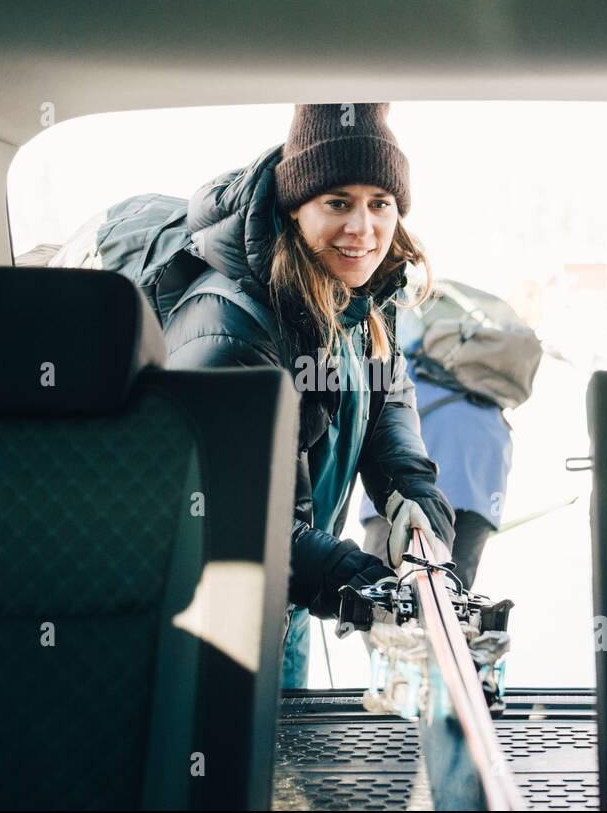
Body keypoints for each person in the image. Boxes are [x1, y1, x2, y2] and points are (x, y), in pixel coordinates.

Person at [162, 103, 456, 689]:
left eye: (381, 204)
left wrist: (410, 490)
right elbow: (236, 517)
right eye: (338, 202)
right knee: (235, 766)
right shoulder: (230, 329)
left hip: (290, 591)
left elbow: (385, 395)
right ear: (296, 207)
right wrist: (360, 580)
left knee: (285, 764)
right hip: (214, 613)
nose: (363, 229)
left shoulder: (364, 290)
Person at [357, 304, 511, 592]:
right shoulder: (482, 375)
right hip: (483, 474)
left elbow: (386, 423)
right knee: (454, 590)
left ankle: (390, 633)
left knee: (380, 588)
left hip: (415, 470)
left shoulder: (398, 351)